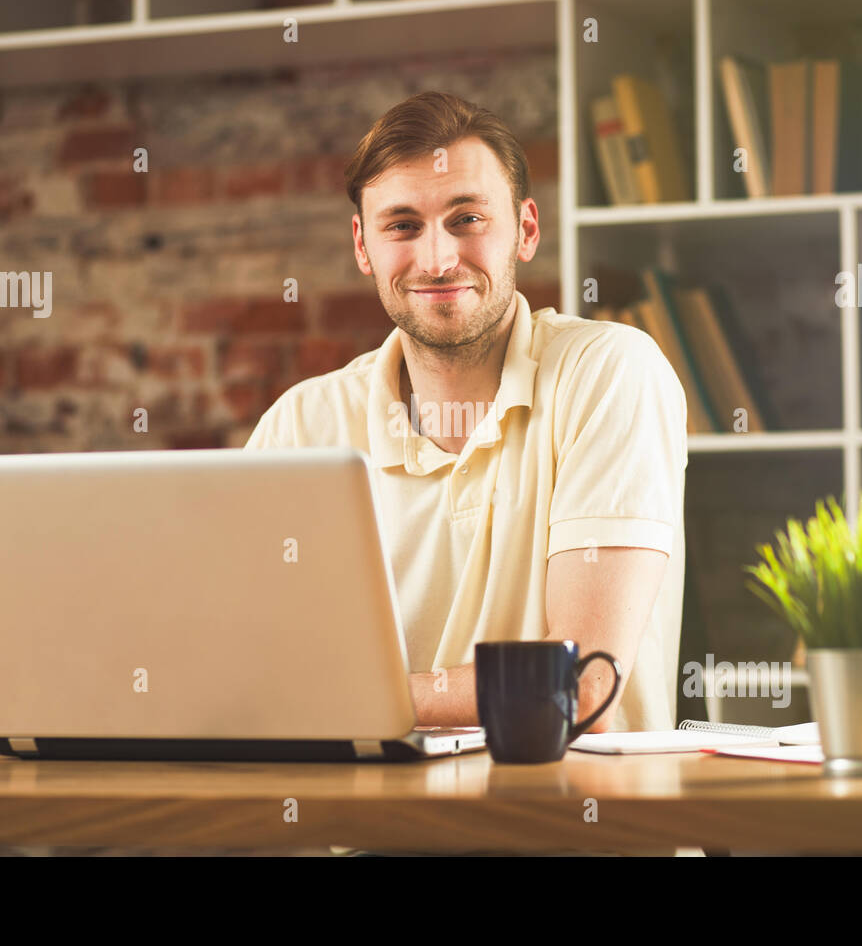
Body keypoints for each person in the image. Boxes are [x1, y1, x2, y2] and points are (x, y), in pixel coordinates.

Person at [245, 91, 696, 855]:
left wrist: (354, 699)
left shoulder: (610, 373)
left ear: (524, 228)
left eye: (467, 217)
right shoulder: (301, 425)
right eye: (402, 226)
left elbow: (578, 687)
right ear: (363, 247)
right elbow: (255, 679)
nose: (437, 257)